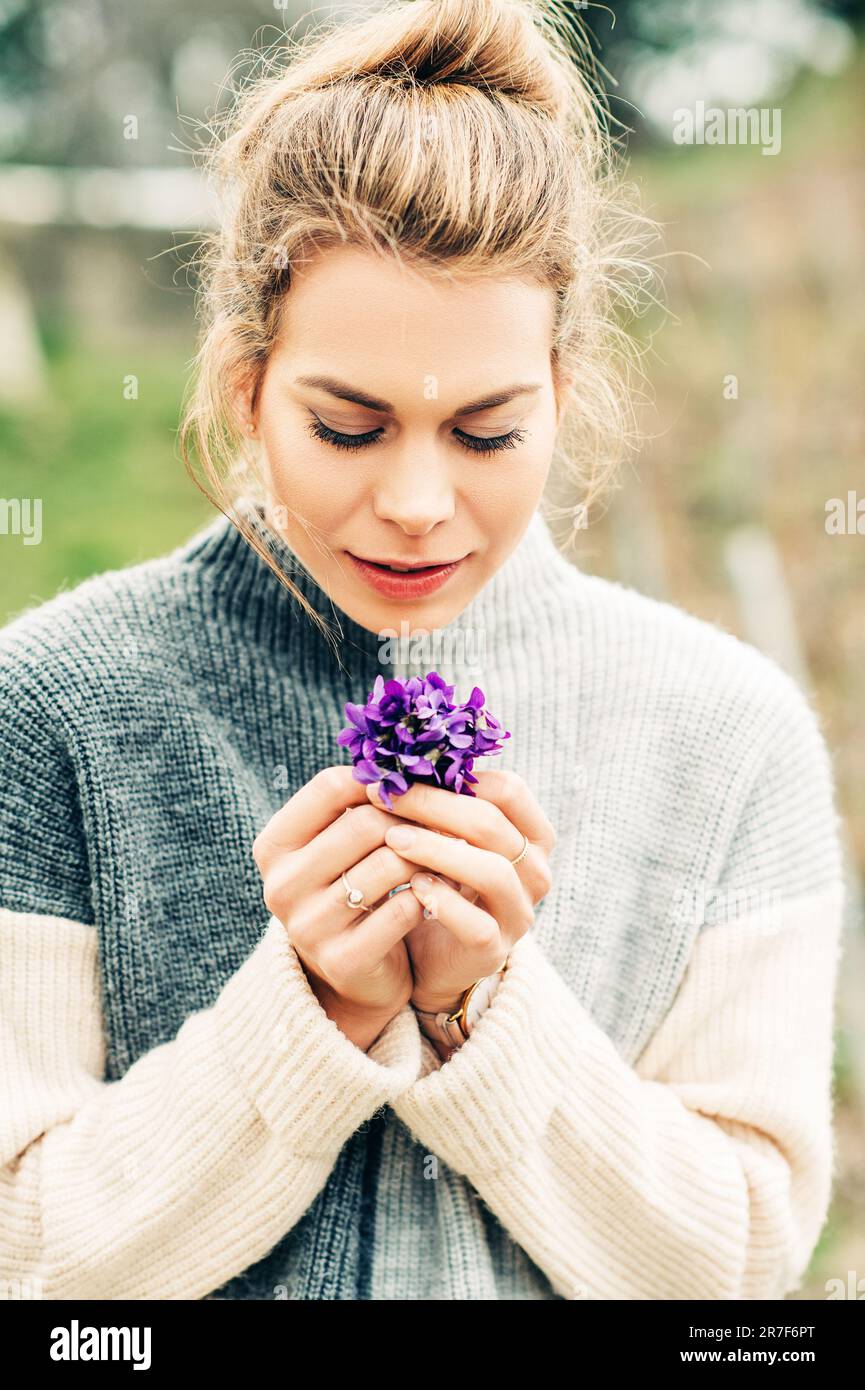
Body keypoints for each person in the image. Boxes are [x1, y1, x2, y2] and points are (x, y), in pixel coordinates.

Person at [0, 0, 845, 1301]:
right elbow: (25, 1254)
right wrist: (312, 1012)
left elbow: (735, 1268)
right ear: (243, 384)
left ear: (563, 392)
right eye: (347, 425)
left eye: (487, 432)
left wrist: (481, 1014)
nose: (413, 501)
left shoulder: (727, 734)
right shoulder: (53, 706)